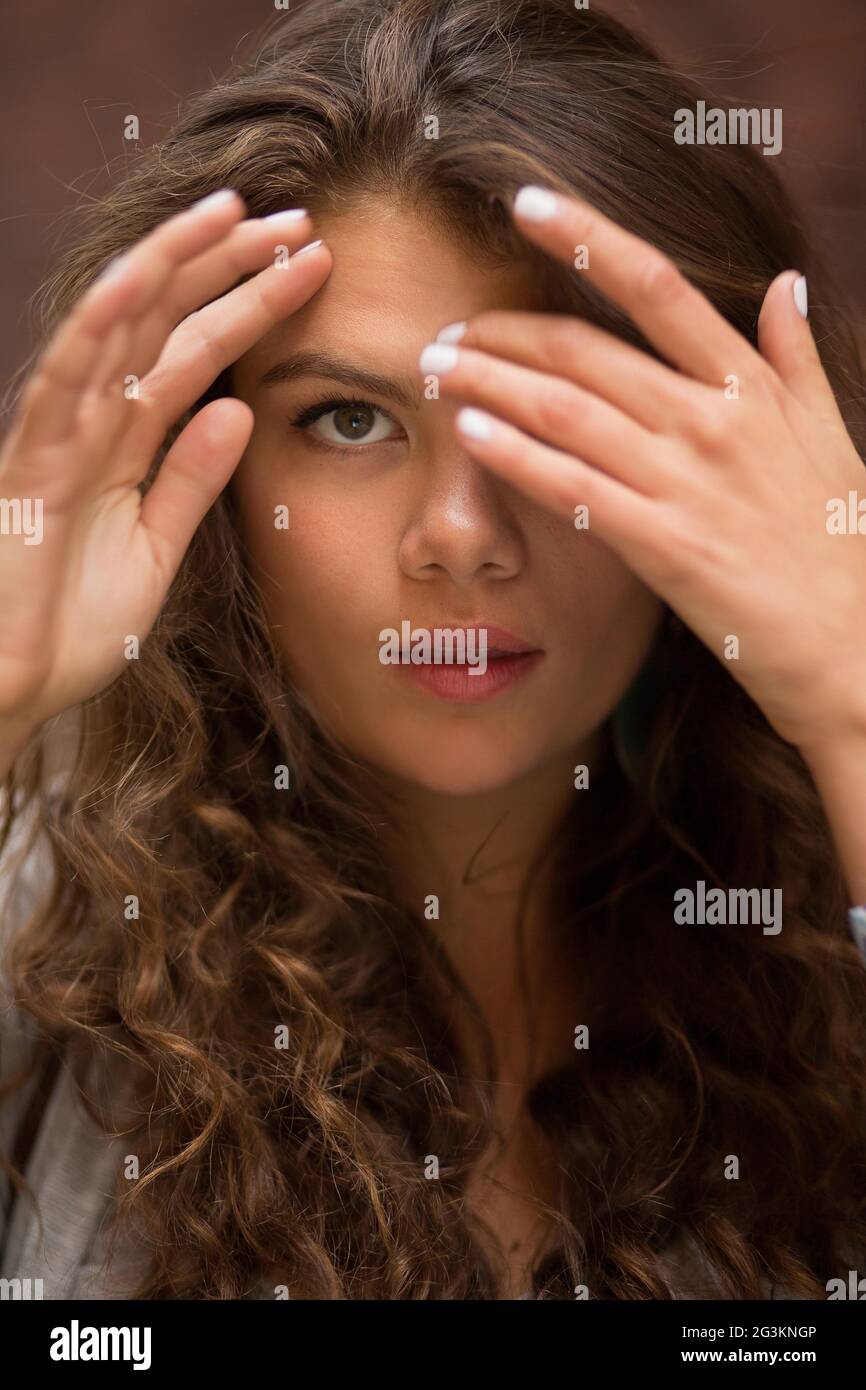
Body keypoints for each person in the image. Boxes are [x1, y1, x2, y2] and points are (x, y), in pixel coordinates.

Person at [1, 0, 865, 1301]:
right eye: (349, 419)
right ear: (213, 478)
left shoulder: (823, 928)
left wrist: (856, 713)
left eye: (550, 418)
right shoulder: (46, 934)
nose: (458, 539)